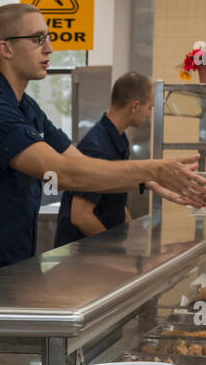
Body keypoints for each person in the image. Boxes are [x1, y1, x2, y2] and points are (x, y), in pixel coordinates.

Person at [0, 2, 206, 280]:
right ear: (6, 49)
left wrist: (150, 182)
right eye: (38, 39)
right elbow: (63, 173)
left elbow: (81, 164)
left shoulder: (27, 108)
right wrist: (153, 170)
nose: (49, 48)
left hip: (13, 264)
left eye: (47, 38)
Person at [54, 71, 154, 247]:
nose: (149, 114)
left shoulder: (118, 138)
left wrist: (130, 233)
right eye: (149, 107)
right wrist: (113, 250)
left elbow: (115, 196)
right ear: (135, 106)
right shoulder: (98, 147)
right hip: (81, 256)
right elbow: (81, 216)